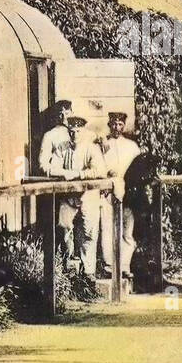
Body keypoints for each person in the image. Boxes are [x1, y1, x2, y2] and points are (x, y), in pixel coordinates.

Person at [41, 114, 106, 276]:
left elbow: (100, 171)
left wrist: (78, 174)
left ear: (83, 131)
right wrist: (64, 173)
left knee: (89, 233)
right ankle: (68, 269)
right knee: (64, 229)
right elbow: (49, 169)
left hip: (88, 196)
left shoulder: (92, 148)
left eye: (78, 131)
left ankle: (88, 273)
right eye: (71, 132)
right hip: (68, 197)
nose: (75, 135)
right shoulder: (63, 148)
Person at [97, 112, 143, 289]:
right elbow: (97, 164)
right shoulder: (102, 145)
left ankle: (124, 265)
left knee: (127, 231)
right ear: (109, 124)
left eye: (120, 124)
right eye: (114, 124)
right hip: (108, 192)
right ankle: (110, 266)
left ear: (124, 126)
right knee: (107, 228)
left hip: (128, 193)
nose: (116, 127)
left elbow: (139, 170)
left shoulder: (132, 146)